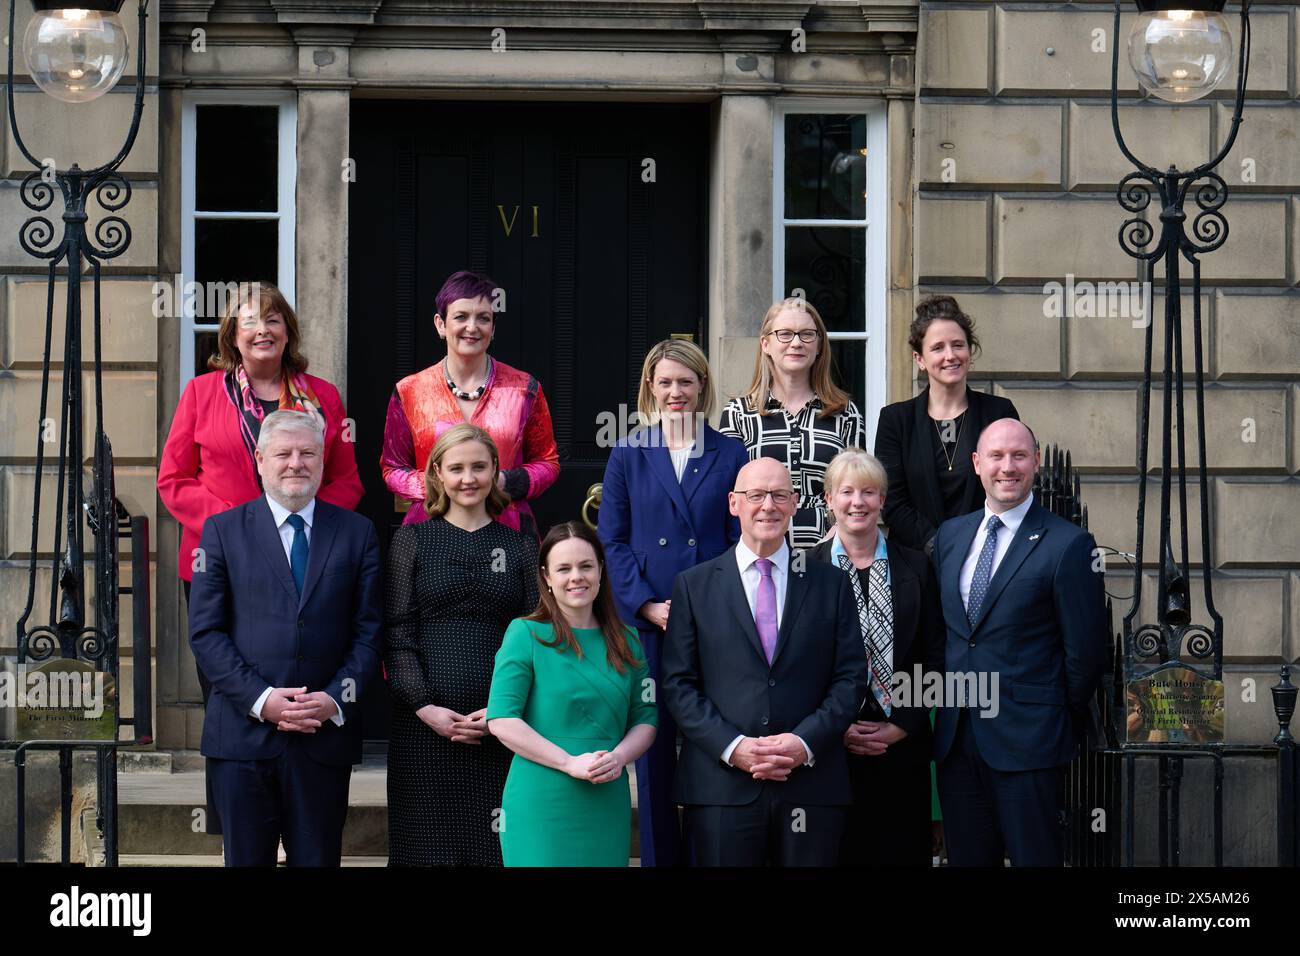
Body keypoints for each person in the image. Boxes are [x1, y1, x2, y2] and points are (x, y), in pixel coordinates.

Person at [158, 281, 363, 838]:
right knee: (233, 692)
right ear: (233, 335)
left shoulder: (321, 396)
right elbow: (173, 480)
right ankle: (239, 820)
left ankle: (301, 818)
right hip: (218, 562)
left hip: (307, 561)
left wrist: (308, 526)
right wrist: (239, 528)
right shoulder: (201, 393)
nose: (263, 330)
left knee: (306, 675)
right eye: (250, 321)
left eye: (274, 320)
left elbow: (345, 481)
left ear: (288, 332)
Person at [188, 410, 382, 866]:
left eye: (307, 453)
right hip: (241, 736)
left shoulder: (357, 533)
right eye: (283, 453)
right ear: (260, 459)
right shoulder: (221, 532)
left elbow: (369, 631)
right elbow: (206, 632)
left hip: (323, 741)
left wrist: (335, 700)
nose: (296, 463)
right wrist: (262, 699)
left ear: (322, 459)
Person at [662, 457, 868, 866]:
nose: (768, 506)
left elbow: (850, 679)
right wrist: (734, 747)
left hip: (811, 786)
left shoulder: (831, 583)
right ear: (734, 503)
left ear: (795, 504)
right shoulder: (695, 586)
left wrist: (802, 743)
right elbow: (678, 684)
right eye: (755, 495)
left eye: (779, 495)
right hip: (721, 790)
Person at [596, 338, 747, 867]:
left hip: (715, 621)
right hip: (648, 625)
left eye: (686, 381)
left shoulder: (731, 453)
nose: (676, 391)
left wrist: (706, 605)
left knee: (713, 740)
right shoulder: (628, 451)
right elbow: (611, 540)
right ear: (650, 388)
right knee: (654, 746)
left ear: (702, 386)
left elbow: (739, 538)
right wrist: (644, 605)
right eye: (665, 382)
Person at [931, 418, 1107, 866]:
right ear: (976, 463)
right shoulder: (951, 535)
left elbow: (1085, 653)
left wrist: (1048, 712)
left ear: (1036, 462)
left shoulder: (1069, 543)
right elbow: (946, 634)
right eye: (996, 456)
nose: (1007, 467)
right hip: (957, 737)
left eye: (1018, 456)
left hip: (1029, 739)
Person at [383, 424, 539, 866]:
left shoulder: (520, 545)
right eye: (456, 468)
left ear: (495, 472)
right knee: (426, 852)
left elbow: (536, 637)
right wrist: (424, 706)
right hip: (424, 732)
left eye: (479, 467)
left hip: (502, 730)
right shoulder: (412, 540)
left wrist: (504, 711)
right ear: (437, 474)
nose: (468, 478)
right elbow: (397, 633)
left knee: (496, 850)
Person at [486, 522, 657, 866]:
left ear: (601, 571)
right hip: (541, 800)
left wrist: (620, 757)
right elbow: (502, 719)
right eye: (563, 568)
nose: (576, 576)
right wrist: (568, 763)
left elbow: (646, 719)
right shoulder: (525, 634)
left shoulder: (628, 639)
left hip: (606, 797)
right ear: (547, 576)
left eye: (586, 566)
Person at [808, 449, 944, 867]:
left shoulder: (918, 567)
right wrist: (834, 727)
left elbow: (936, 654)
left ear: (883, 501)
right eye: (846, 491)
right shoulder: (804, 571)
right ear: (828, 500)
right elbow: (797, 666)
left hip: (901, 750)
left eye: (869, 492)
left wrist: (903, 725)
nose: (858, 502)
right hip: (829, 752)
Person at [381, 270, 560, 539]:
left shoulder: (525, 389)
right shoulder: (410, 391)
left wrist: (503, 482)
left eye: (483, 318)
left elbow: (548, 462)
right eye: (461, 316)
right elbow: (392, 468)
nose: (472, 327)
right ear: (441, 324)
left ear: (493, 327)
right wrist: (438, 484)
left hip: (507, 531)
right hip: (431, 533)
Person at [874, 295, 1018, 556]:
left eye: (958, 345)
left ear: (969, 351)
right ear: (920, 359)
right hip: (917, 565)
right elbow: (893, 503)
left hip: (987, 557)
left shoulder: (999, 412)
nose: (950, 355)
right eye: (938, 348)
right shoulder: (895, 420)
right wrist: (939, 547)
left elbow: (1011, 486)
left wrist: (970, 547)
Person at [718, 298, 865, 550]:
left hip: (831, 549)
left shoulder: (845, 412)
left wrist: (837, 536)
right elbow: (729, 490)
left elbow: (857, 488)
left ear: (819, 345)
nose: (796, 343)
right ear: (766, 344)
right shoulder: (739, 412)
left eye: (807, 334)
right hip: (761, 551)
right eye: (784, 334)